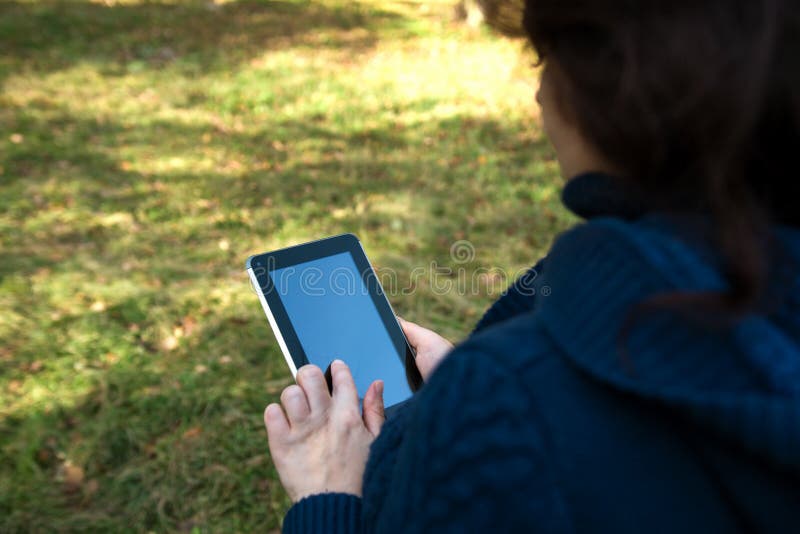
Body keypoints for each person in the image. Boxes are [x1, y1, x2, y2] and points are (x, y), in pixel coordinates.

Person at [263, 0, 800, 531]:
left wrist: (329, 493)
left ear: (612, 97)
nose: (540, 95)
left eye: (546, 62)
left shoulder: (503, 404)